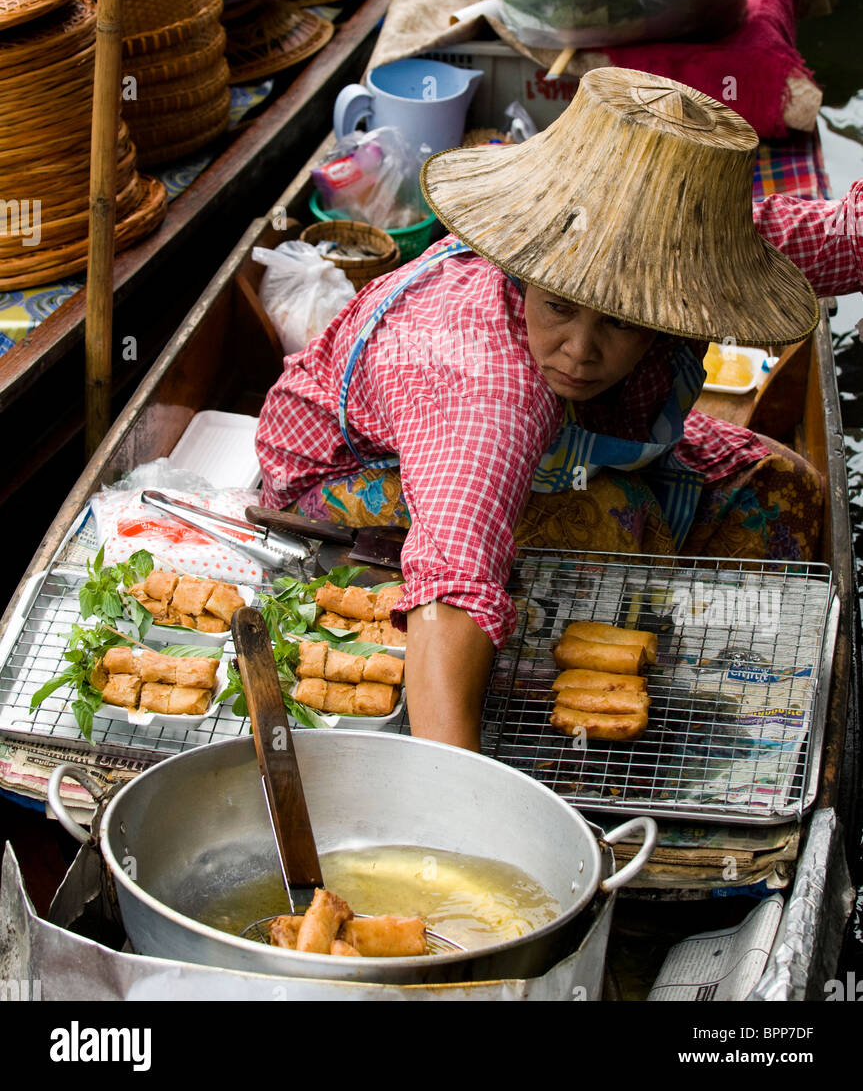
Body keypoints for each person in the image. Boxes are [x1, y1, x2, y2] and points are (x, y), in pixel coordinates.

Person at [256, 68, 862, 751]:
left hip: (551, 449)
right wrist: (447, 800)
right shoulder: (482, 381)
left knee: (782, 487)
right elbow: (454, 581)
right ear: (522, 272)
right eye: (558, 307)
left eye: (621, 322)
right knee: (615, 527)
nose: (577, 350)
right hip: (355, 484)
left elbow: (843, 236)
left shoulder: (681, 253)